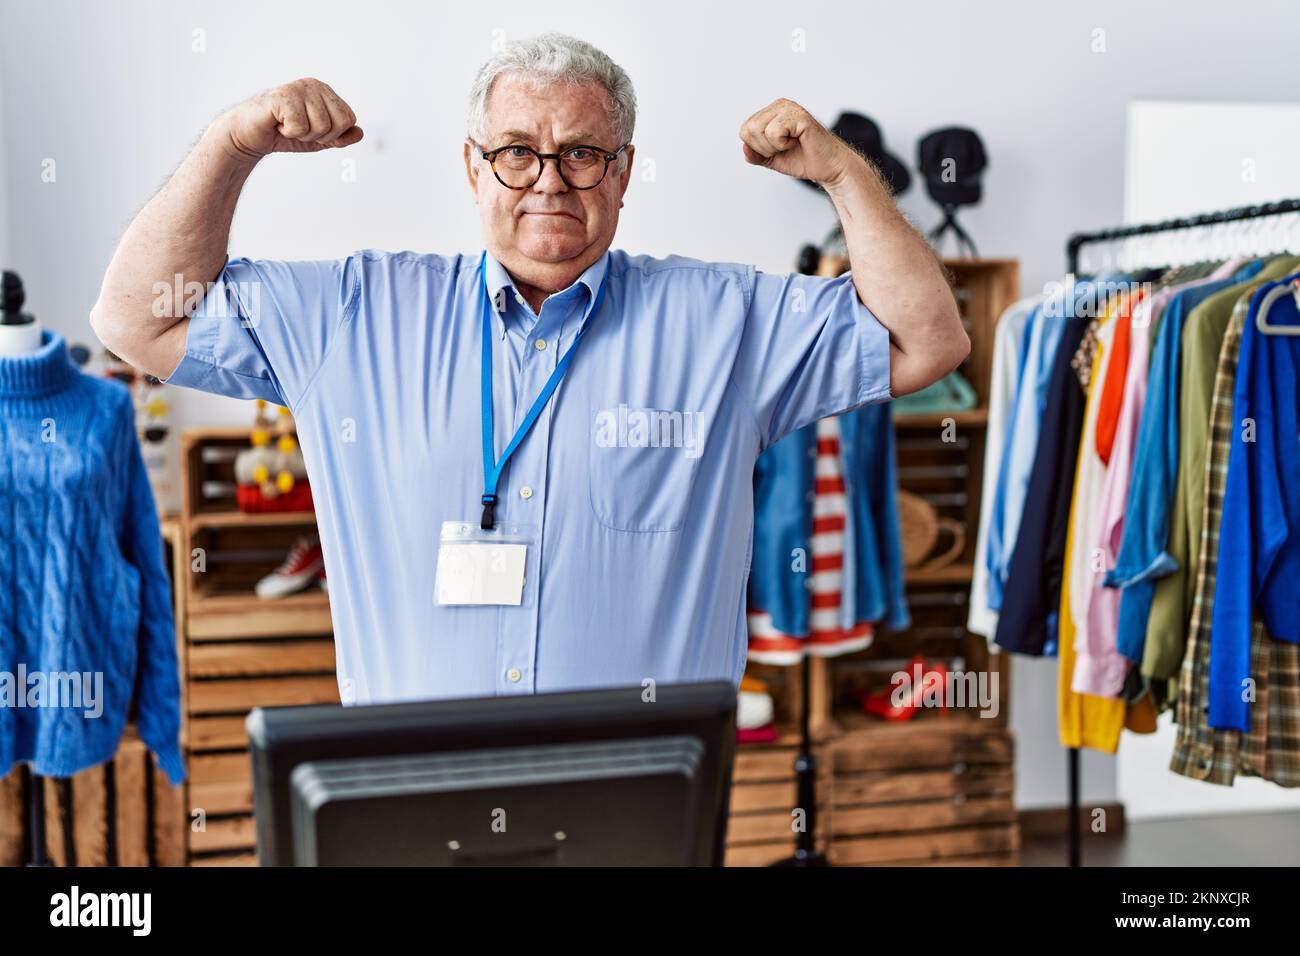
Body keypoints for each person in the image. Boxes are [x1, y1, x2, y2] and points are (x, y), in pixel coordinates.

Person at [90, 33, 967, 705]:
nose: (548, 179)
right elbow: (135, 318)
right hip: (412, 805)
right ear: (474, 168)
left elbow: (926, 340)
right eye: (516, 150)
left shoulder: (727, 322)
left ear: (623, 175)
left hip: (643, 804)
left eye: (582, 154)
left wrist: (845, 177)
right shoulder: (351, 314)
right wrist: (233, 143)